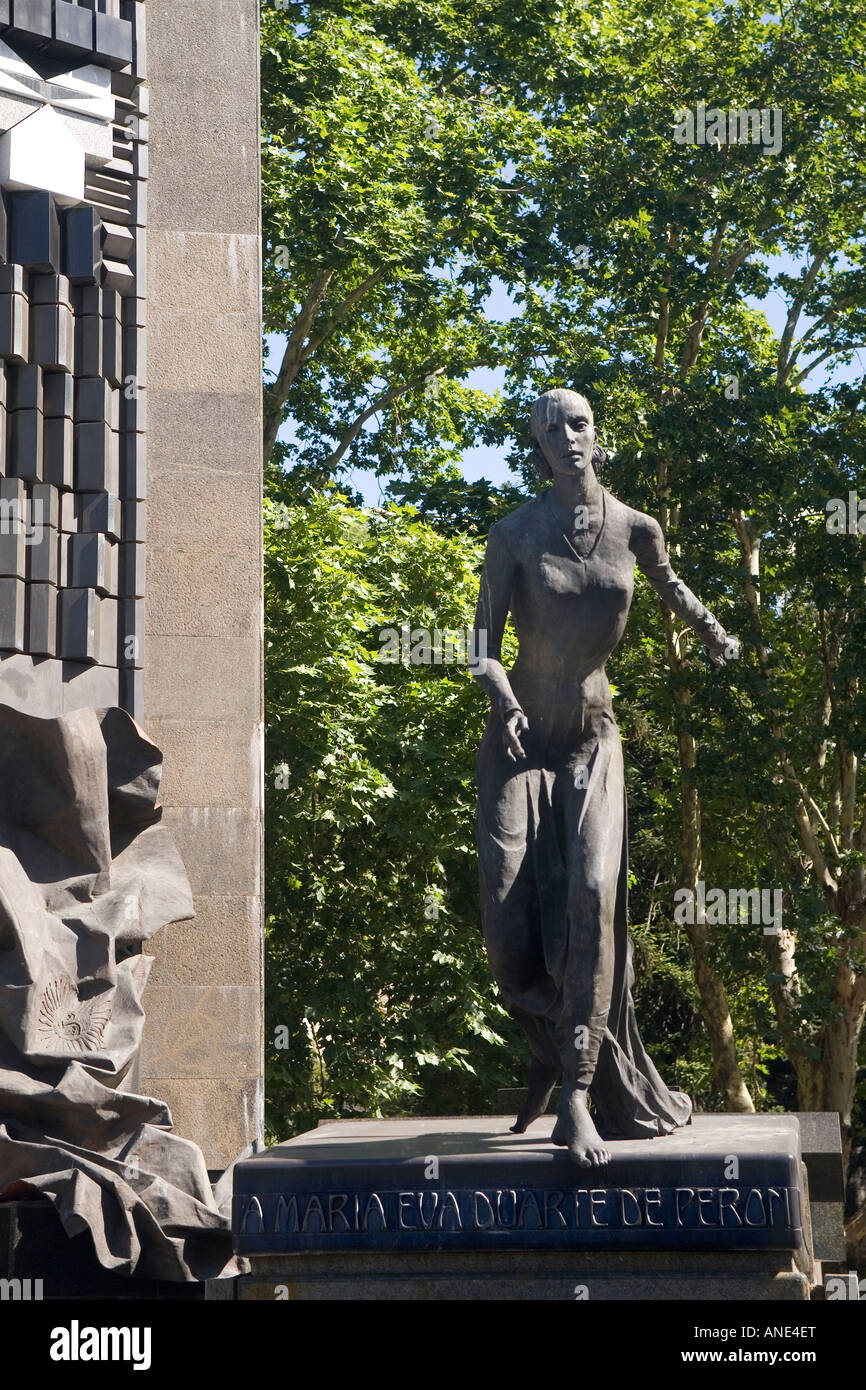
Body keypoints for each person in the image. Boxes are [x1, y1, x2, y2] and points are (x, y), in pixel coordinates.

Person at [471, 388, 736, 1167]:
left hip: (591, 736)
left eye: (578, 423)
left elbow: (669, 586)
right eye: (550, 429)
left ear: (599, 435)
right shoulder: (514, 534)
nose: (567, 437)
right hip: (519, 741)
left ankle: (579, 1094)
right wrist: (503, 698)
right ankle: (553, 1040)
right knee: (507, 927)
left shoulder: (635, 529)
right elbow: (481, 643)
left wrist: (715, 632)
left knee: (591, 894)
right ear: (538, 448)